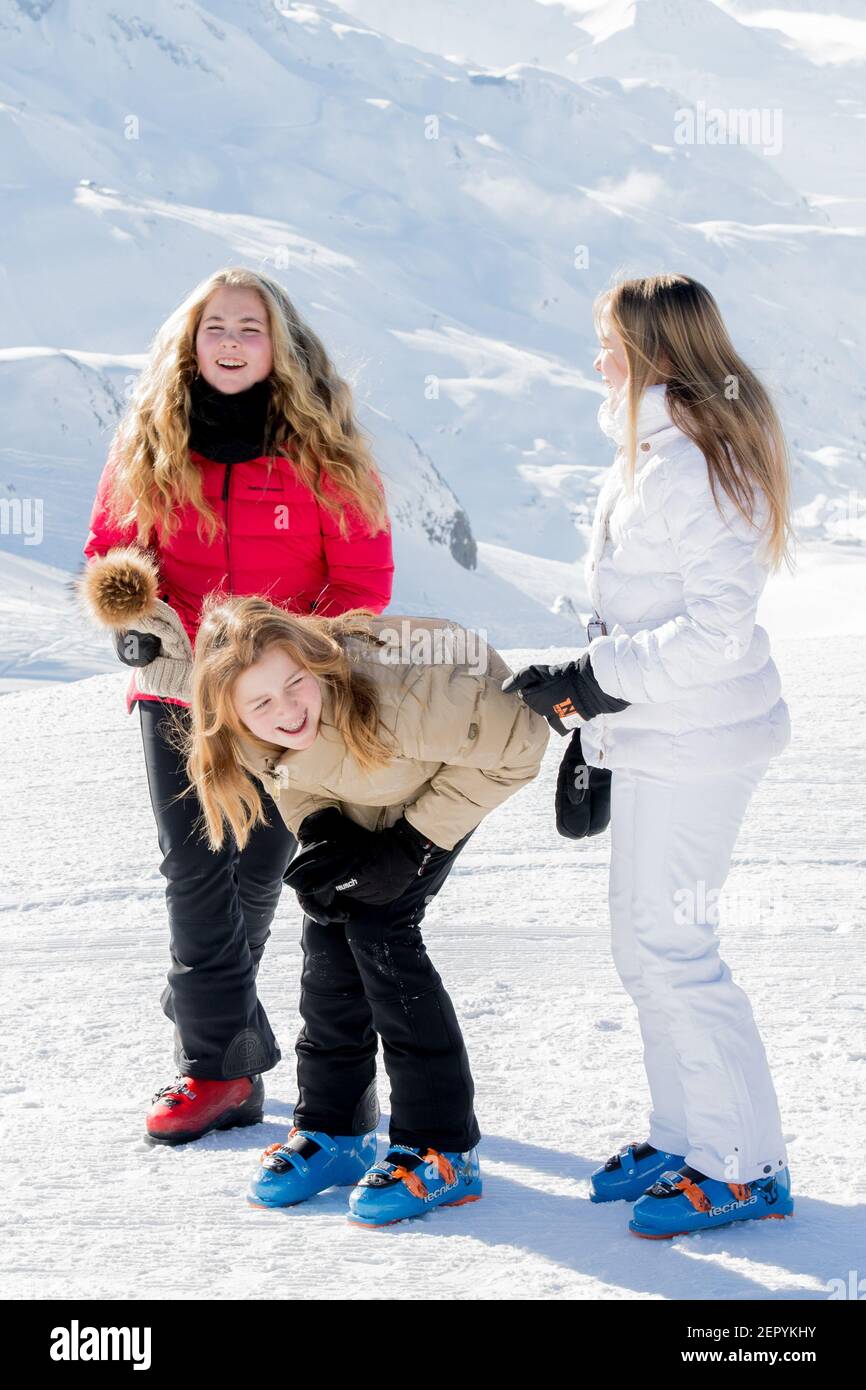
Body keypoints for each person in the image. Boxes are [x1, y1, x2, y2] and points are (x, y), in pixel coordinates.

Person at [505, 273, 795, 1239]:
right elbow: (633, 610)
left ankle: (745, 1167)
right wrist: (595, 721)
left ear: (654, 356)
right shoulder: (652, 451)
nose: (597, 363)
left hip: (700, 742)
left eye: (610, 347)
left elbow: (715, 633)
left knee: (678, 950)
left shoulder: (703, 467)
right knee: (645, 950)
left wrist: (590, 680)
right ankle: (689, 1137)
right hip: (659, 732)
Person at [79, 266, 394, 1144]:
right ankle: (217, 1068)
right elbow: (113, 551)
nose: (229, 341)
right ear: (190, 341)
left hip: (285, 696)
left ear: (280, 344)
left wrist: (301, 674)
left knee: (258, 873)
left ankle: (209, 1011)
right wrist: (133, 609)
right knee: (196, 870)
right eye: (214, 326)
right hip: (179, 683)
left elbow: (361, 581)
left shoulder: (325, 450)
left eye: (249, 328)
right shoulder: (150, 440)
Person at [180, 594, 550, 1226]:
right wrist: (323, 829)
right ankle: (336, 1131)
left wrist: (411, 844)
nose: (286, 710)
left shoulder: (398, 698)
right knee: (328, 922)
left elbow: (522, 742)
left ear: (315, 664)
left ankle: (443, 1149)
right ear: (231, 715)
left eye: (295, 684)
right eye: (261, 703)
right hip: (365, 788)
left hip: (444, 779)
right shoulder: (243, 734)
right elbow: (290, 780)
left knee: (382, 928)